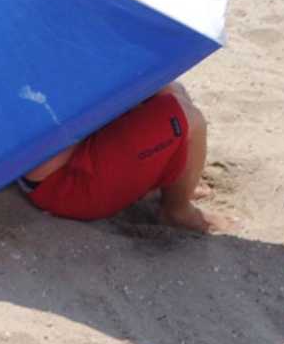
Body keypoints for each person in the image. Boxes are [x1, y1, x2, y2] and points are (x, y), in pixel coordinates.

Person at [19, 82, 216, 232]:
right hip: (60, 183)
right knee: (187, 117)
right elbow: (38, 164)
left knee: (171, 90)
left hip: (77, 147)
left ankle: (172, 186)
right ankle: (178, 212)